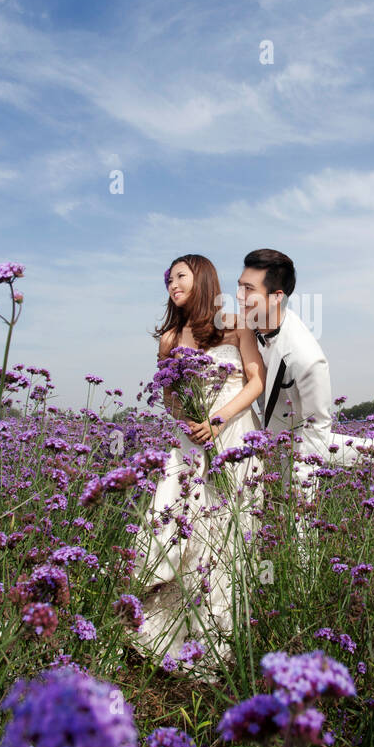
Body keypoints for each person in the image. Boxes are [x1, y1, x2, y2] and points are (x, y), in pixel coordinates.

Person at [128, 254, 266, 682]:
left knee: (228, 539)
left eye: (180, 276)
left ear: (202, 277)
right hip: (191, 446)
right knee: (185, 533)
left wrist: (217, 420)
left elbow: (255, 380)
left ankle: (217, 647)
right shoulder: (170, 337)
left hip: (236, 437)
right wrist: (185, 419)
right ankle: (168, 641)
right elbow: (167, 394)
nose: (172, 284)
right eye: (168, 279)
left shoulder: (235, 323)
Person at [236, 249, 374, 504]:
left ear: (276, 298)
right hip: (269, 440)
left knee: (298, 533)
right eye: (239, 286)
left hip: (298, 447)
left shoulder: (307, 357)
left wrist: (301, 483)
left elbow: (317, 428)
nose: (239, 296)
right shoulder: (247, 325)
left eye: (248, 289)